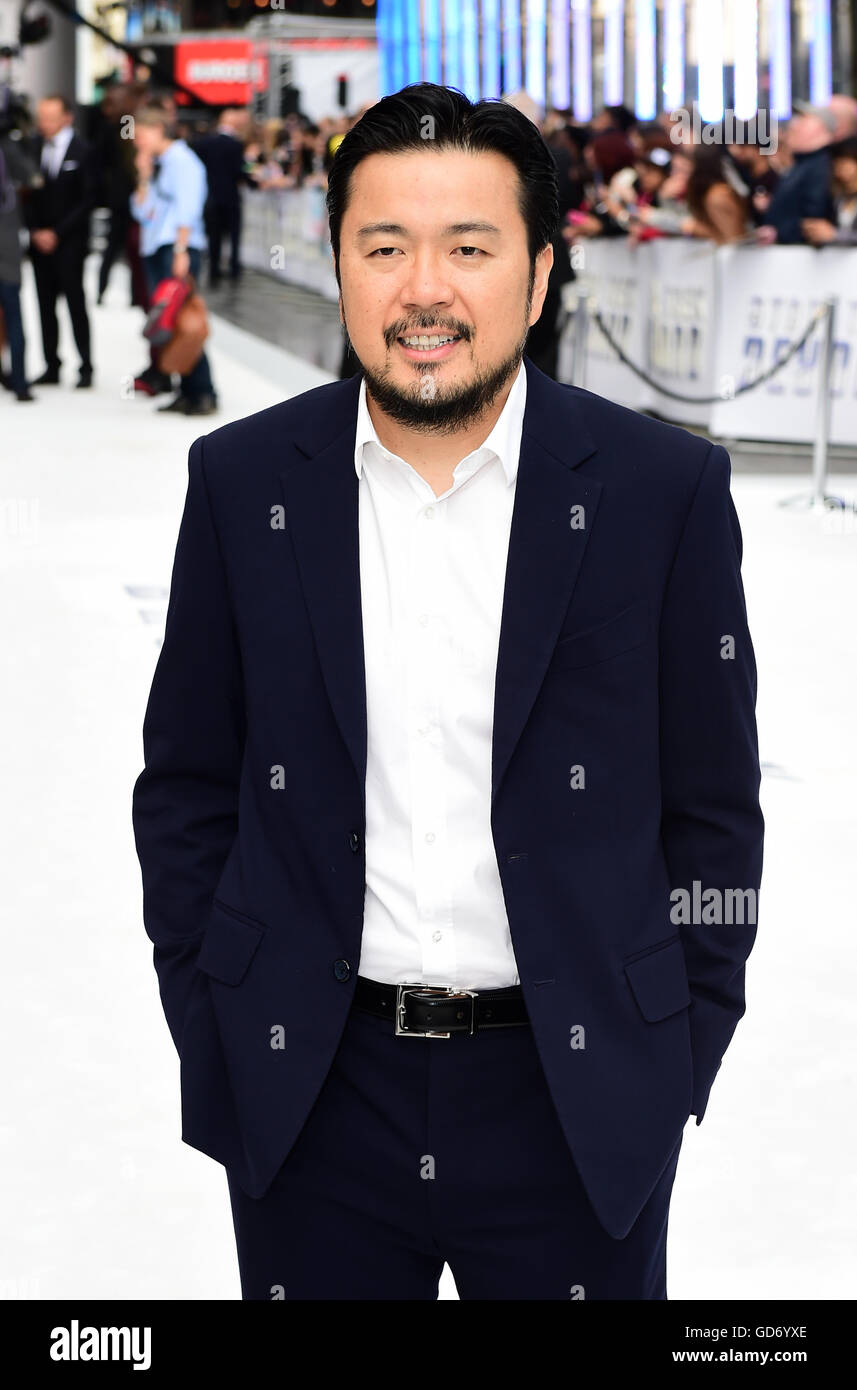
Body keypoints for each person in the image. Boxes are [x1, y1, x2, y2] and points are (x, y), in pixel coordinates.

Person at [132, 83, 764, 1301]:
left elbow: (712, 805)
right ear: (339, 266)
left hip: (574, 1099)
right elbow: (192, 782)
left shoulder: (657, 493)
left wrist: (675, 1040)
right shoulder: (241, 482)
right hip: (312, 1091)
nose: (424, 288)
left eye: (468, 247)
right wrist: (211, 1004)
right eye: (385, 247)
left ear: (536, 276)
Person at [129, 104, 217, 415]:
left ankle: (202, 391)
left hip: (176, 248)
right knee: (170, 322)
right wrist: (142, 177)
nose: (137, 142)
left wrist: (181, 250)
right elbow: (142, 212)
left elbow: (188, 208)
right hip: (158, 247)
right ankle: (188, 389)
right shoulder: (160, 164)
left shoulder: (183, 162)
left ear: (156, 130)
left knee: (183, 321)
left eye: (140, 136)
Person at [23, 95, 96, 387]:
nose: (44, 124)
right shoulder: (32, 147)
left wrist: (58, 233)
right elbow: (24, 194)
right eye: (41, 117)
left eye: (50, 118)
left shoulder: (84, 150)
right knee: (44, 305)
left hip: (70, 244)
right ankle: (51, 365)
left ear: (67, 117)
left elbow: (88, 199)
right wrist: (36, 231)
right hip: (39, 243)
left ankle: (86, 366)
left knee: (76, 305)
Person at [758, 102, 836, 245]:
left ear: (821, 129)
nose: (793, 126)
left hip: (806, 259)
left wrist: (780, 232)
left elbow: (814, 217)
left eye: (803, 120)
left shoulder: (821, 166)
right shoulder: (802, 165)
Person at [0, 133, 38, 401]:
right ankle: (20, 381)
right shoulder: (9, 147)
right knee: (13, 316)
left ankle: (19, 378)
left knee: (13, 315)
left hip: (7, 248)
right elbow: (33, 178)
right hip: (7, 246)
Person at [193, 107, 248, 286]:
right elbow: (239, 171)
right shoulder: (236, 144)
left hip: (211, 196)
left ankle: (214, 268)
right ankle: (233, 267)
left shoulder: (205, 143)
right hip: (230, 196)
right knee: (233, 234)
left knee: (214, 234)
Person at [802, 136, 857, 246]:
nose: (839, 169)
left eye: (844, 163)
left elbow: (834, 234)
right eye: (836, 164)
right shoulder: (836, 197)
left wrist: (835, 235)